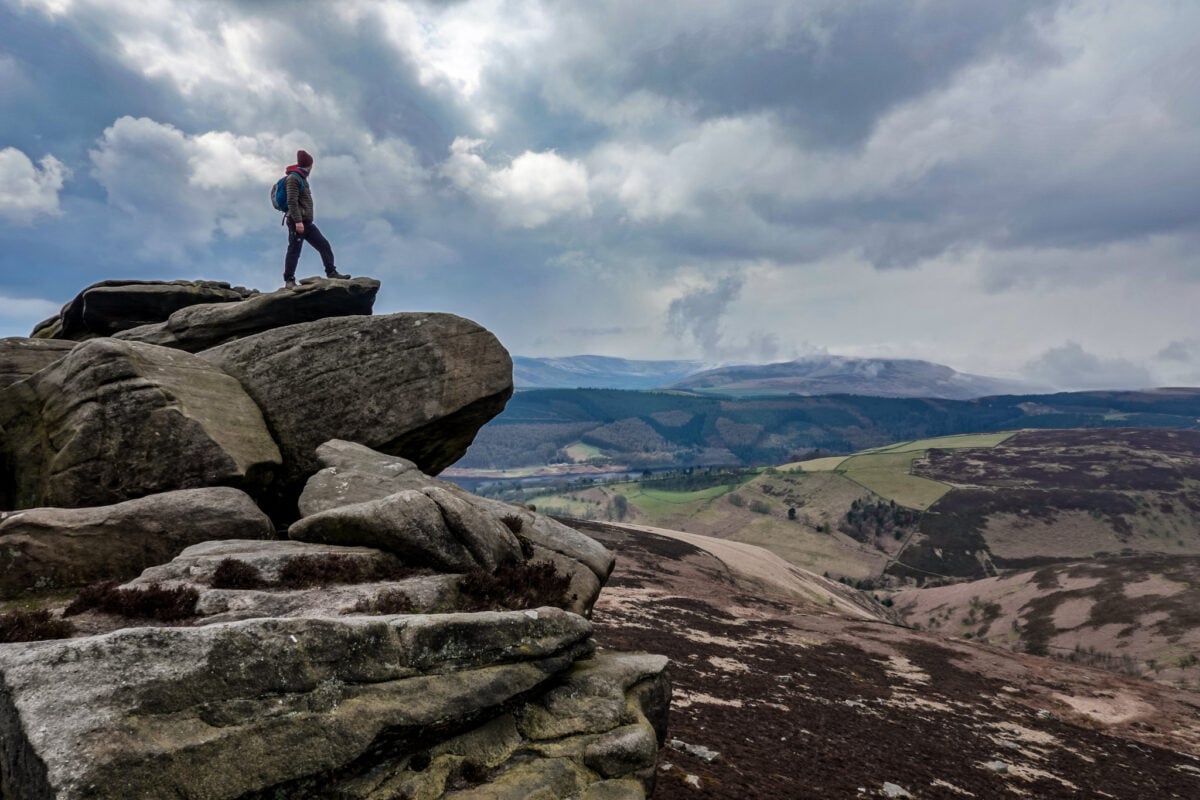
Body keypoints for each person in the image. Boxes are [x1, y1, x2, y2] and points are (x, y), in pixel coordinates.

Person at [282, 149, 348, 289]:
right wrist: (298, 221)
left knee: (324, 245)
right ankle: (289, 279)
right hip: (297, 222)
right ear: (309, 165)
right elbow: (291, 201)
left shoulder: (302, 178)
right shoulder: (293, 178)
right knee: (294, 251)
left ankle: (331, 272)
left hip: (307, 222)